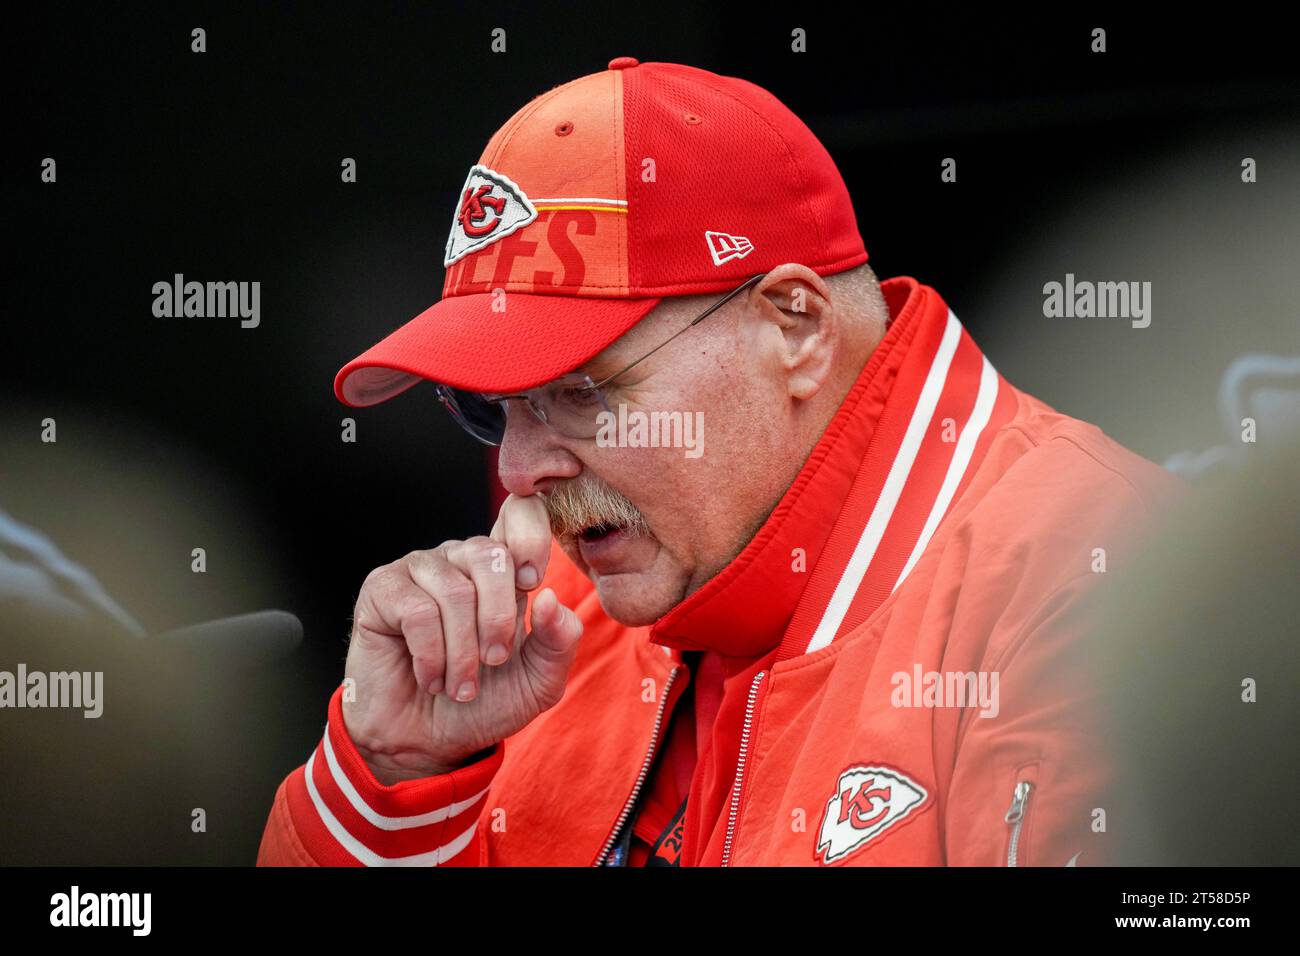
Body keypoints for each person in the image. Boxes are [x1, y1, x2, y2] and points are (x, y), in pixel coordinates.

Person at [256, 58, 1178, 867]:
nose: (524, 468)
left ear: (796, 328)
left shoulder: (1099, 591)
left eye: (583, 389)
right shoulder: (549, 627)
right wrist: (394, 788)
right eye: (495, 407)